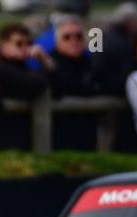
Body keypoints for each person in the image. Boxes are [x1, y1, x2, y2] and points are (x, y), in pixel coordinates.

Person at [41, 14, 99, 150]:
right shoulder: (50, 63)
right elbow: (60, 86)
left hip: (87, 134)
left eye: (78, 36)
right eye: (67, 37)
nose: (74, 40)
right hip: (58, 135)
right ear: (57, 41)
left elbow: (98, 84)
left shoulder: (88, 61)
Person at [0, 22, 47, 100]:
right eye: (19, 43)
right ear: (3, 45)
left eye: (29, 43)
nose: (25, 47)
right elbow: (35, 86)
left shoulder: (20, 65)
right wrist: (43, 60)